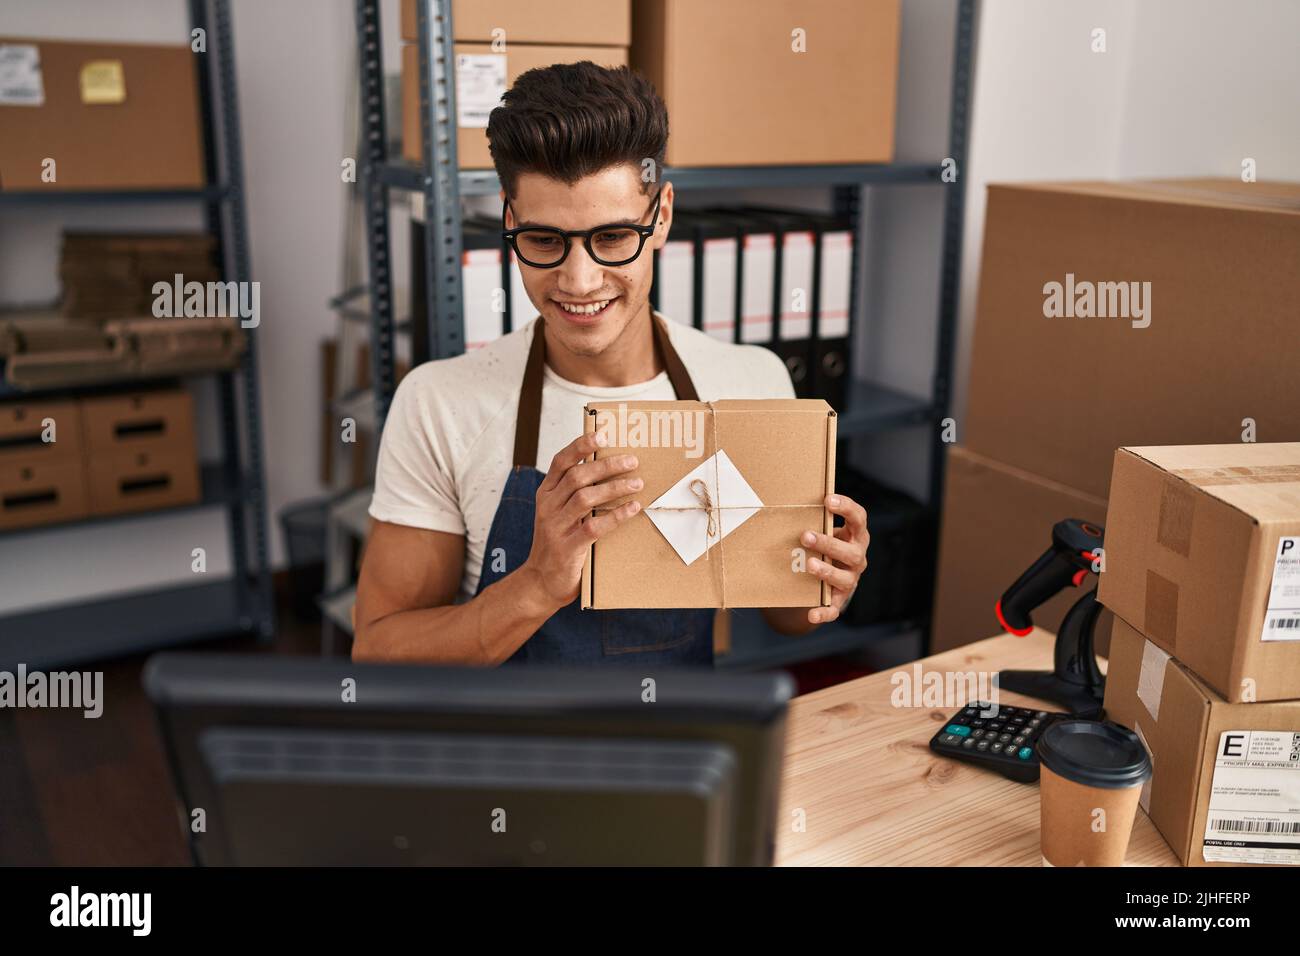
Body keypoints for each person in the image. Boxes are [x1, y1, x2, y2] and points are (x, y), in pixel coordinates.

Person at [353, 62, 869, 665]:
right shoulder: (439, 403)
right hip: (508, 750)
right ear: (509, 221)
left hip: (678, 747)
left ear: (663, 216)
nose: (579, 281)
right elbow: (380, 654)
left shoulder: (750, 383)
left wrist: (827, 582)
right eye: (545, 240)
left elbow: (787, 617)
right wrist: (538, 584)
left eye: (614, 237)